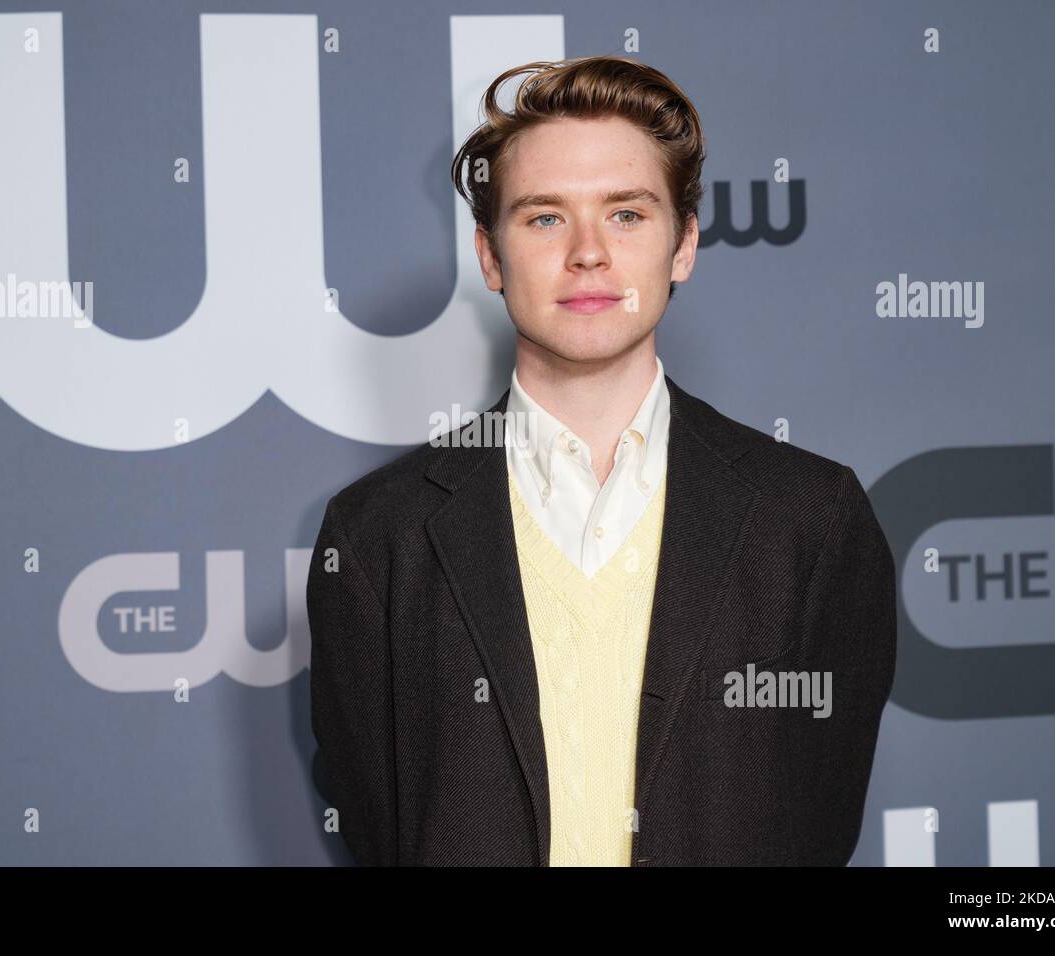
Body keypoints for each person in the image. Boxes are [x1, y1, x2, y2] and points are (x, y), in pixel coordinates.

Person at [307, 55, 896, 866]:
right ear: (489, 257)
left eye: (626, 214)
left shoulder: (811, 518)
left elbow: (820, 816)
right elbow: (376, 815)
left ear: (683, 244)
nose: (588, 253)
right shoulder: (378, 534)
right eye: (545, 218)